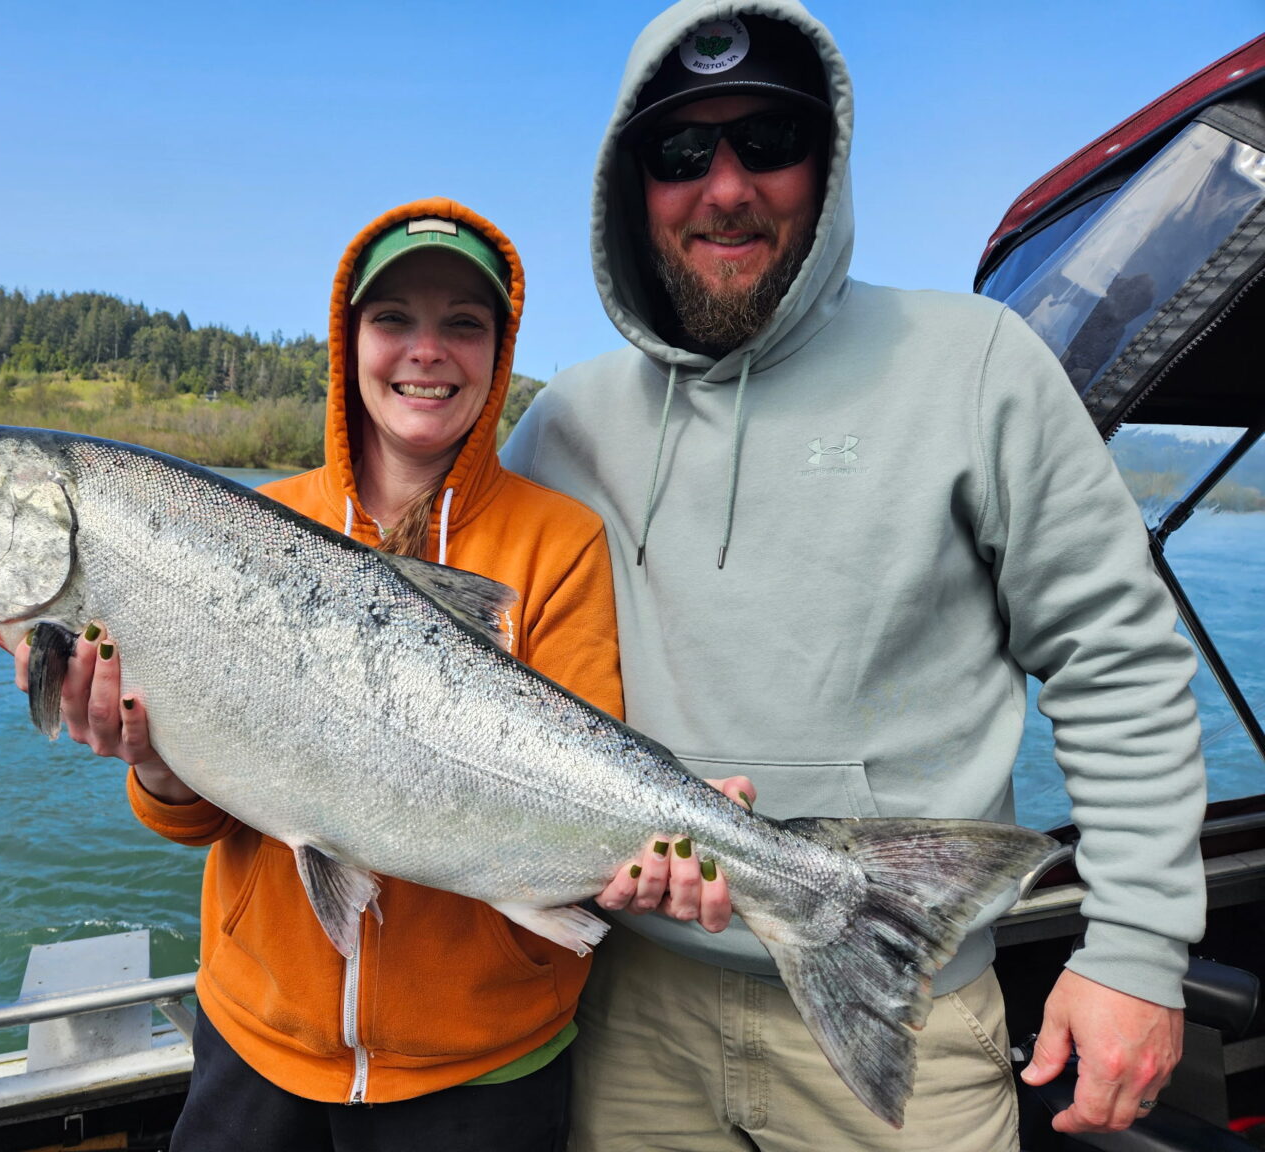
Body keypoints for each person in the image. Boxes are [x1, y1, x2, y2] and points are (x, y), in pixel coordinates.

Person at [499, 4, 1208, 1151]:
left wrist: (1136, 951)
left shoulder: (976, 364)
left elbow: (1114, 659)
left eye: (766, 143)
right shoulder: (565, 423)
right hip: (630, 1018)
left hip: (908, 1023)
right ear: (633, 186)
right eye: (682, 154)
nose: (724, 188)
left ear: (825, 165)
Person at [16, 198, 625, 1150]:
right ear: (349, 346)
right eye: (394, 321)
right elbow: (199, 813)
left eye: (462, 324)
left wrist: (664, 853)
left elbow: (588, 790)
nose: (426, 350)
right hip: (258, 1045)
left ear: (499, 356)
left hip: (487, 1061)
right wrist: (155, 768)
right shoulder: (239, 528)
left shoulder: (560, 542)